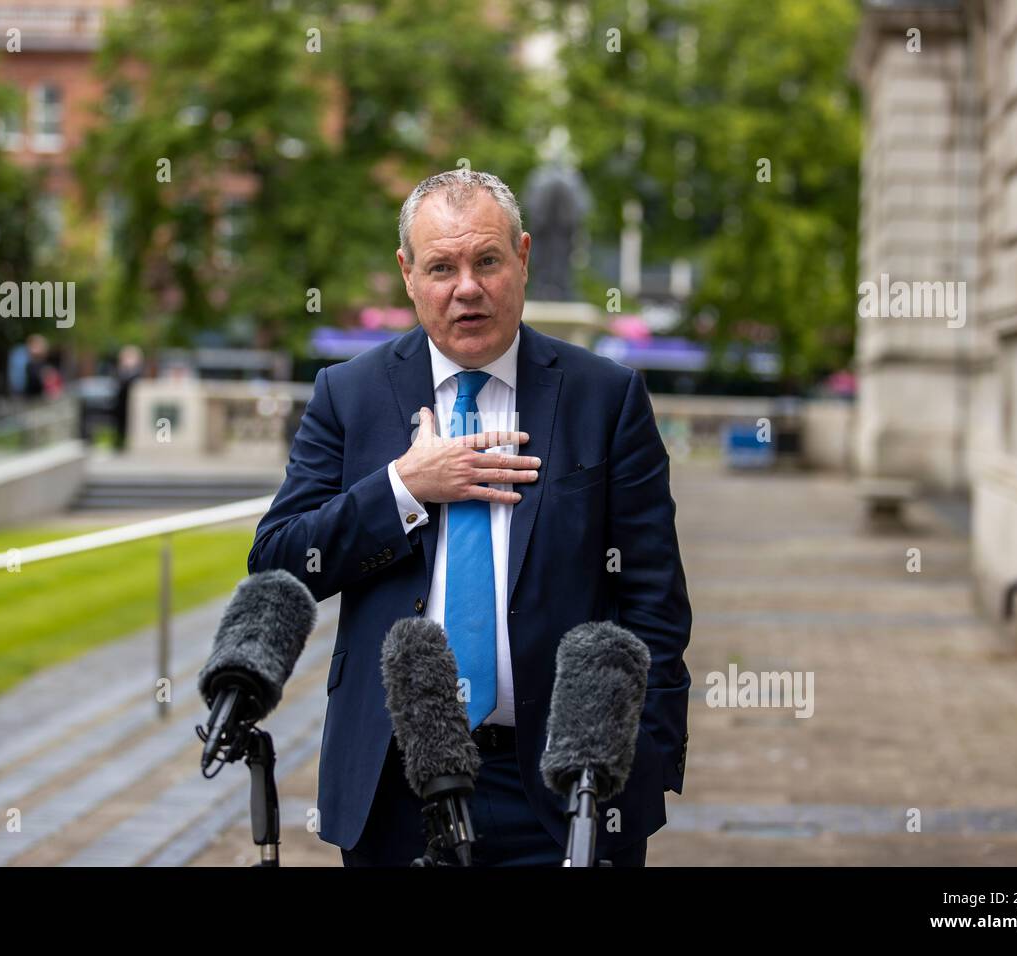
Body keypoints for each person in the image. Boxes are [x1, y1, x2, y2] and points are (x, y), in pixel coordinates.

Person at [247, 169, 692, 867]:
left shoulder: (604, 398)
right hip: (396, 785)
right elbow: (279, 562)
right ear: (407, 274)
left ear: (522, 256)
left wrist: (646, 762)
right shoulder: (348, 395)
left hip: (563, 782)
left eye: (487, 260)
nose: (467, 288)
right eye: (442, 267)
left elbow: (654, 600)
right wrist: (404, 487)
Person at [114, 345, 144, 451]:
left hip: (133, 404)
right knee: (121, 424)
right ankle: (120, 442)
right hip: (121, 404)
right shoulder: (120, 371)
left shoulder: (138, 372)